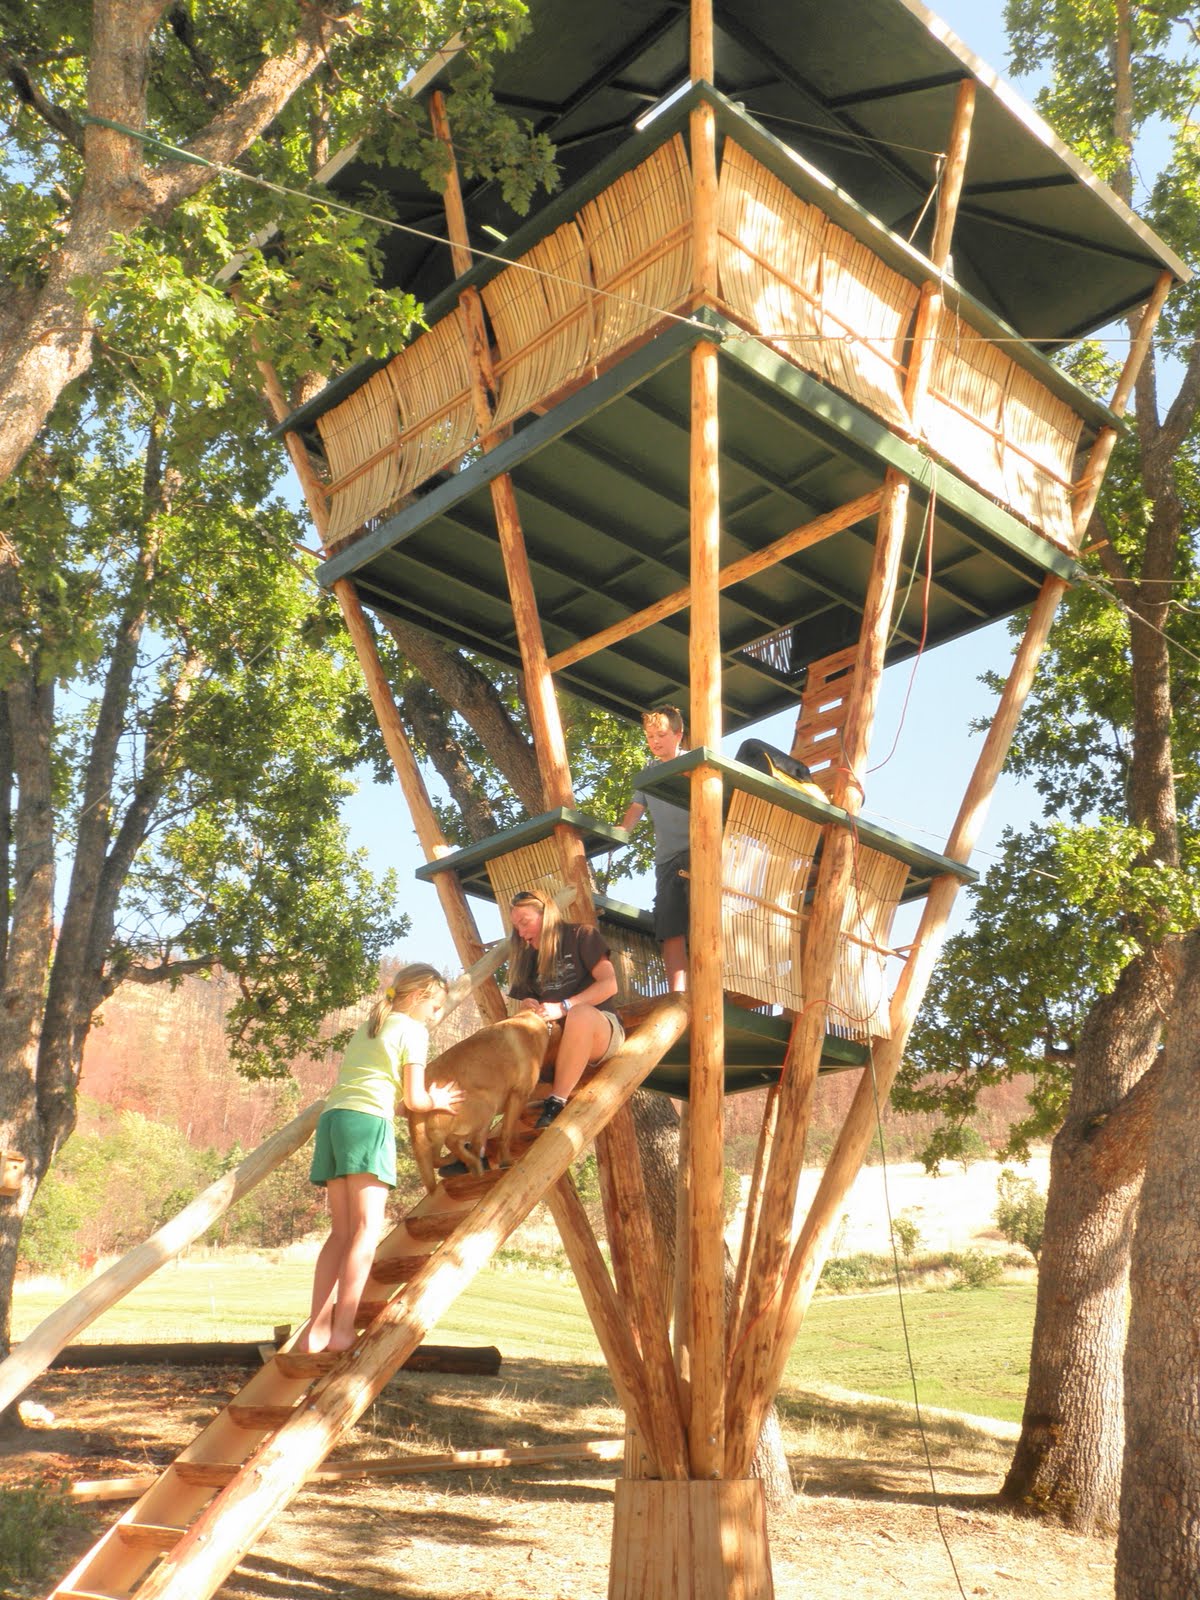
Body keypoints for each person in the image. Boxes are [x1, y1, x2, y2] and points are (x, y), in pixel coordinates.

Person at [297, 963, 459, 1354]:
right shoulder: (413, 1031)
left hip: (335, 1121)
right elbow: (415, 1099)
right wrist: (436, 1100)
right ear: (419, 997)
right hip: (369, 1125)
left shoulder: (370, 1026)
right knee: (367, 1231)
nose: (436, 1017)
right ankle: (341, 1332)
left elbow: (377, 1084)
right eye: (436, 1007)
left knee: (341, 1232)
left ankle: (314, 1332)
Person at [507, 888, 624, 1128]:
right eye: (516, 927)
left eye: (525, 922)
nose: (521, 932)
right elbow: (528, 1003)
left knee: (579, 1014)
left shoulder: (582, 935)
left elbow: (610, 985)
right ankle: (480, 1133)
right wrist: (528, 1006)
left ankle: (556, 1101)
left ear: (546, 914)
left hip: (599, 1030)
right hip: (554, 1041)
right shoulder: (528, 958)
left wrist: (564, 1007)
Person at [619, 704, 689, 991]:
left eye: (661, 734)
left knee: (702, 919)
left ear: (678, 734)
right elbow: (637, 806)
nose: (655, 742)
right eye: (649, 737)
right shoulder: (649, 771)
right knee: (669, 925)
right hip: (666, 859)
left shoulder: (693, 763)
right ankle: (677, 992)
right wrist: (623, 831)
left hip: (698, 851)